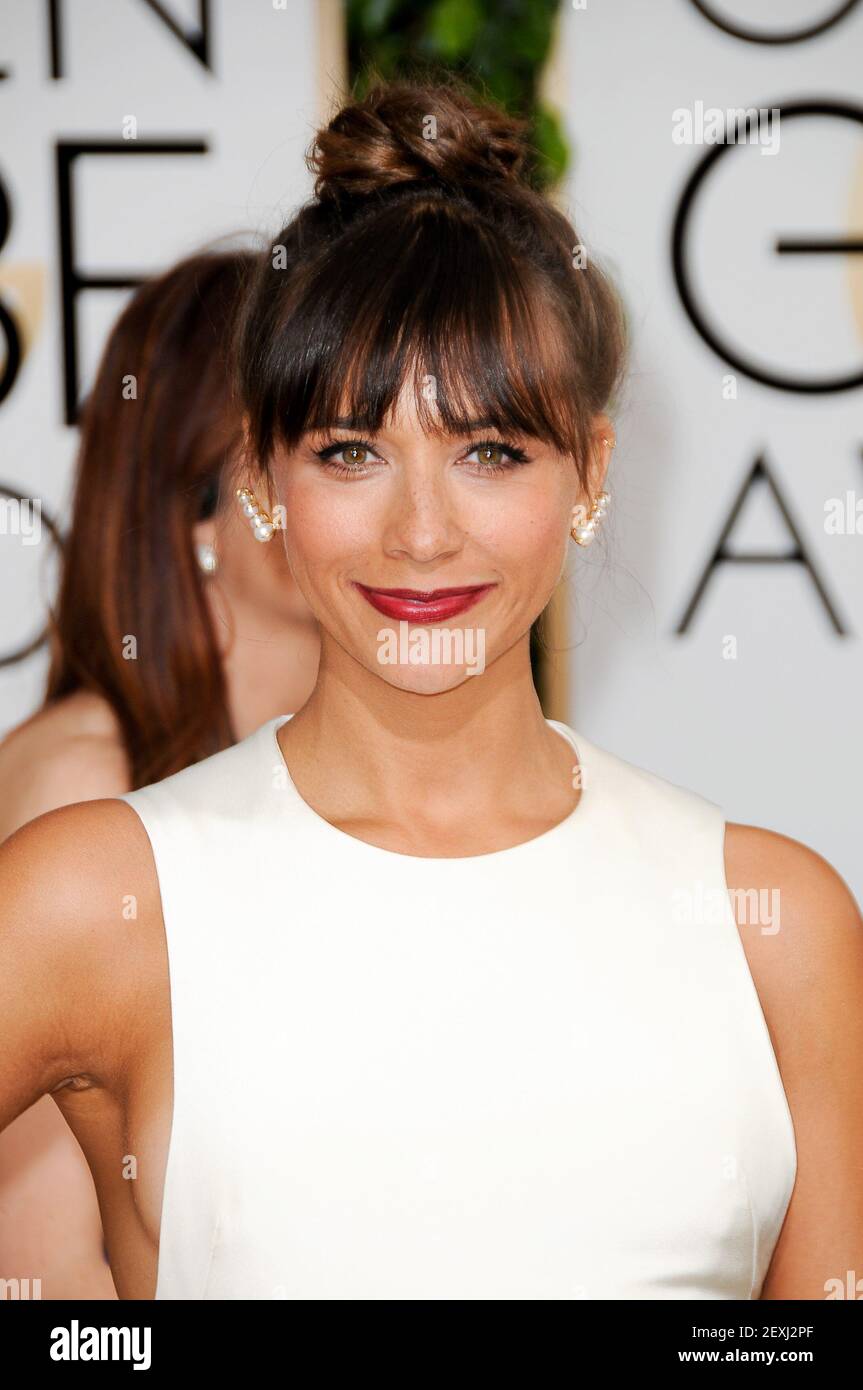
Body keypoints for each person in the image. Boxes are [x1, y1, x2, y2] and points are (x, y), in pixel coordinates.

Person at [1, 81, 861, 1300]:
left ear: (588, 470)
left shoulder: (774, 925)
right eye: (351, 451)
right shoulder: (100, 895)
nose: (419, 533)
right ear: (260, 474)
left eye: (490, 451)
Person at [0, 249, 319, 1298]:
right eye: (331, 445)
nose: (407, 506)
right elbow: (42, 1269)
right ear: (194, 499)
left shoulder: (307, 774)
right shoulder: (84, 784)